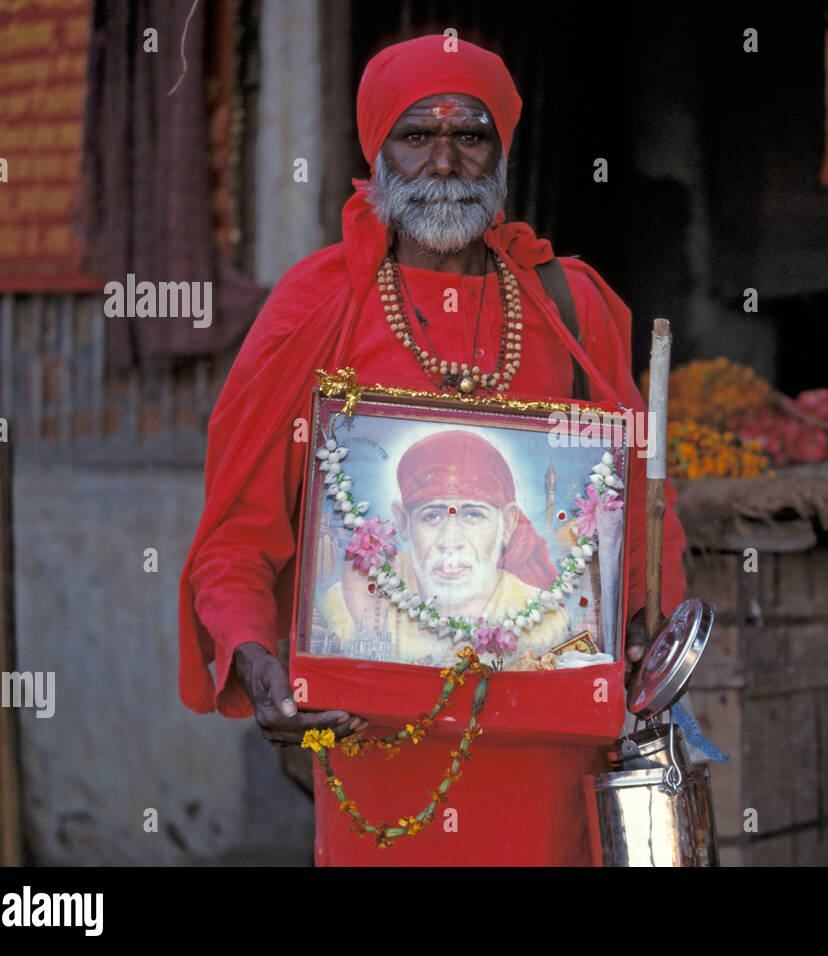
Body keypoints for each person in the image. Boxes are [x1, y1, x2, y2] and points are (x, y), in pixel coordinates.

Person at [177, 33, 688, 865]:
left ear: (501, 152)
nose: (445, 162)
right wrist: (254, 656)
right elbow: (237, 530)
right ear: (378, 153)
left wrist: (640, 629)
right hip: (378, 743)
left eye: (470, 136)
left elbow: (639, 517)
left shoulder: (573, 304)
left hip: (550, 751)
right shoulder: (315, 308)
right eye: (417, 137)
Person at [314, 429, 573, 667]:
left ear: (507, 523)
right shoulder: (347, 602)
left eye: (473, 515)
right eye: (432, 516)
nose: (450, 541)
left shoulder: (544, 617)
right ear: (403, 521)